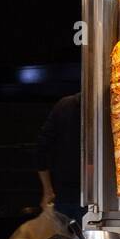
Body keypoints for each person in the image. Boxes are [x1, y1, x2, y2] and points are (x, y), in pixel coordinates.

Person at [34, 91, 84, 225]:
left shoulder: (64, 105)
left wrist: (47, 190)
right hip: (77, 194)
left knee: (61, 236)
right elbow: (41, 149)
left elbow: (41, 149)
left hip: (64, 191)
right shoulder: (66, 106)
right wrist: (48, 190)